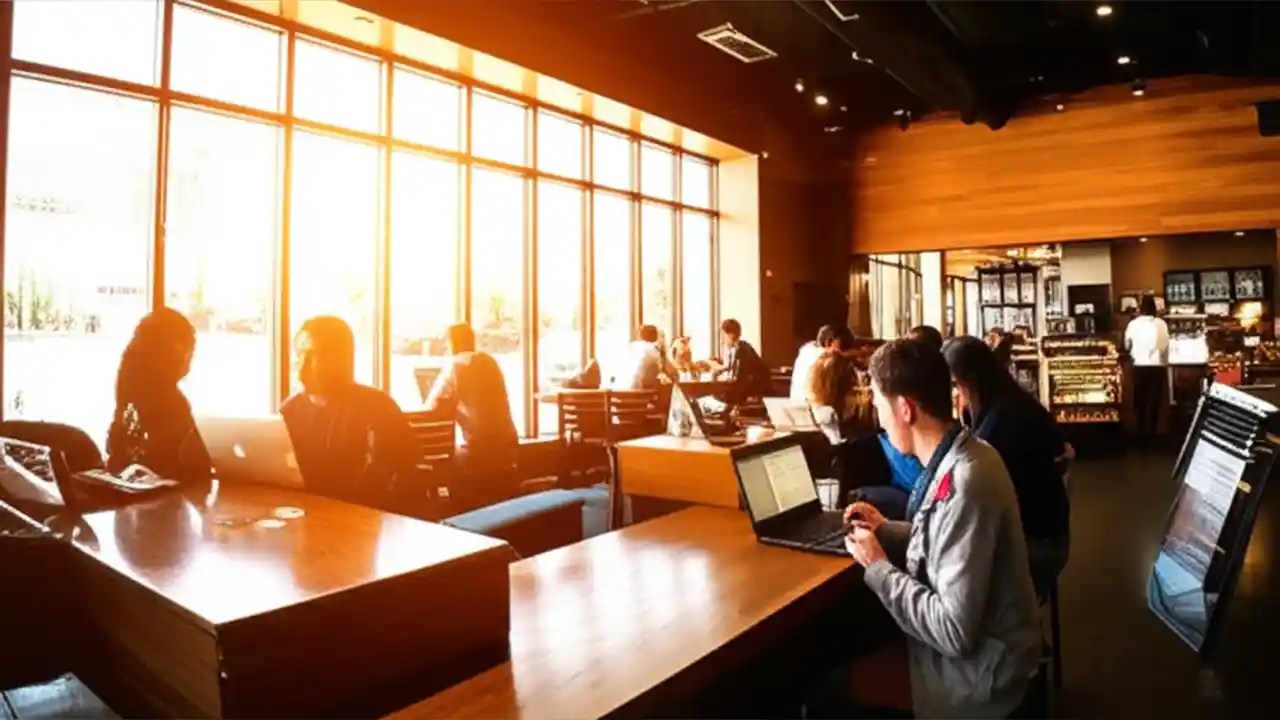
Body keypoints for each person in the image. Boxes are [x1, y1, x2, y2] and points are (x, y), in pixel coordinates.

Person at [843, 338, 1041, 718]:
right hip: (986, 662)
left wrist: (878, 567)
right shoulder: (966, 453)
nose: (876, 414)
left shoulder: (965, 481)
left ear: (904, 408)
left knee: (832, 690)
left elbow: (952, 631)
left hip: (977, 684)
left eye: (878, 402)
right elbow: (947, 541)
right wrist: (886, 531)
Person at [944, 335, 1071, 599]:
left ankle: (1008, 636)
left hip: (1033, 547)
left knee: (948, 575)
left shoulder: (1000, 423)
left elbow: (976, 493)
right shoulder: (1012, 403)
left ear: (966, 382)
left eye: (955, 385)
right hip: (1048, 533)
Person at [281, 316, 417, 509]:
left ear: (340, 360)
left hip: (365, 525)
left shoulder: (378, 410)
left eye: (312, 356)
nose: (301, 368)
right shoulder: (289, 412)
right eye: (300, 355)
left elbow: (397, 483)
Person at [106, 308, 211, 482]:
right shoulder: (172, 404)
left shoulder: (129, 394)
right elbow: (193, 466)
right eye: (188, 349)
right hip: (158, 499)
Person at [425, 323, 519, 476]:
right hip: (508, 447)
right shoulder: (490, 361)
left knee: (444, 466)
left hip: (479, 451)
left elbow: (432, 409)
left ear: (452, 343)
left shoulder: (455, 365)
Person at [1126, 294, 1169, 443]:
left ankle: (1140, 432)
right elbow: (1165, 346)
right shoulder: (1161, 324)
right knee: (1154, 401)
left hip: (1139, 366)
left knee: (1140, 401)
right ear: (1155, 308)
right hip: (1157, 367)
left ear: (1141, 308)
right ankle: (1152, 433)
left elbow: (1126, 345)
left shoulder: (1133, 324)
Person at [791, 325, 854, 401]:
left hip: (800, 404)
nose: (846, 350)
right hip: (812, 407)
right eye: (844, 346)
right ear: (829, 343)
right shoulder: (821, 356)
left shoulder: (807, 349)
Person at [715, 318, 771, 403]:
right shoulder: (726, 349)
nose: (722, 339)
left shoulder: (744, 349)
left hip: (743, 390)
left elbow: (741, 373)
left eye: (724, 335)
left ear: (731, 335)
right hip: (732, 387)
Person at [623, 325, 677, 390]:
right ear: (656, 337)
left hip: (618, 392)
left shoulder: (630, 347)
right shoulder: (653, 349)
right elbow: (674, 373)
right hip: (638, 393)